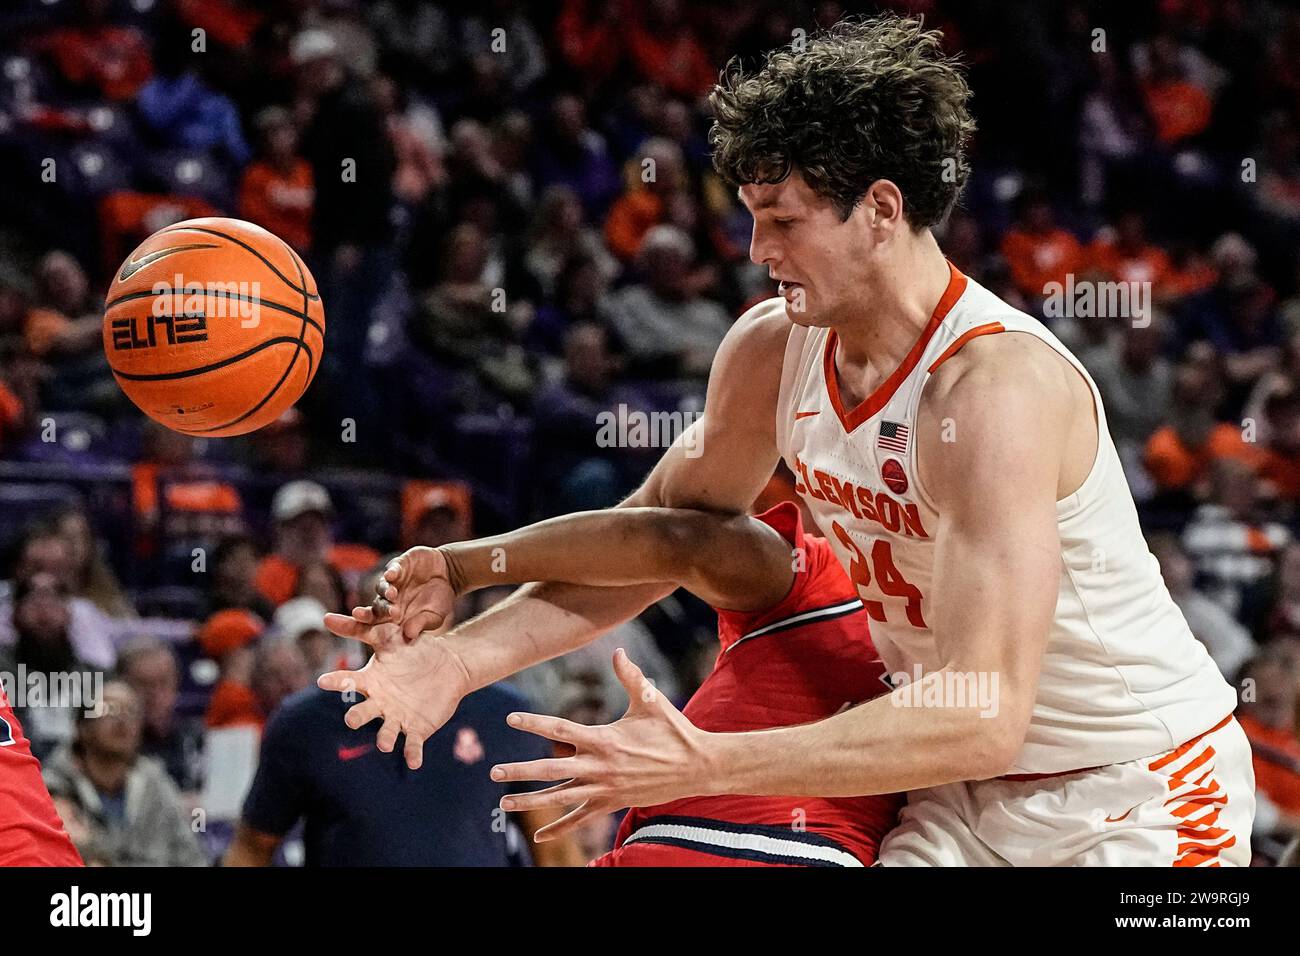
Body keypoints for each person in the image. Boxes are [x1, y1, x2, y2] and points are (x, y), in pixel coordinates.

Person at [324, 16, 1252, 867]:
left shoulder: (994, 390)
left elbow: (984, 711)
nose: (757, 248)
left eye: (784, 220)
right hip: (959, 789)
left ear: (882, 211)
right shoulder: (775, 347)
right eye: (751, 216)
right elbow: (666, 535)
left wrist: (701, 762)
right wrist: (461, 604)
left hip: (1142, 788)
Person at [368, 501, 900, 865]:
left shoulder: (971, 661)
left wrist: (708, 760)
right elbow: (678, 536)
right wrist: (460, 568)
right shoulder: (820, 574)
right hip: (659, 842)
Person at [223, 565, 583, 867]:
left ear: (449, 616)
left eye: (419, 610)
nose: (403, 626)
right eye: (385, 610)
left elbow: (555, 852)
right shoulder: (303, 723)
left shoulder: (506, 716)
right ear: (358, 619)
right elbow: (252, 849)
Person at [42, 681, 207, 867]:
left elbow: (191, 856)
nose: (122, 720)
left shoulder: (157, 783)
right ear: (82, 727)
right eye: (108, 709)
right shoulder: (52, 788)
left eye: (131, 712)